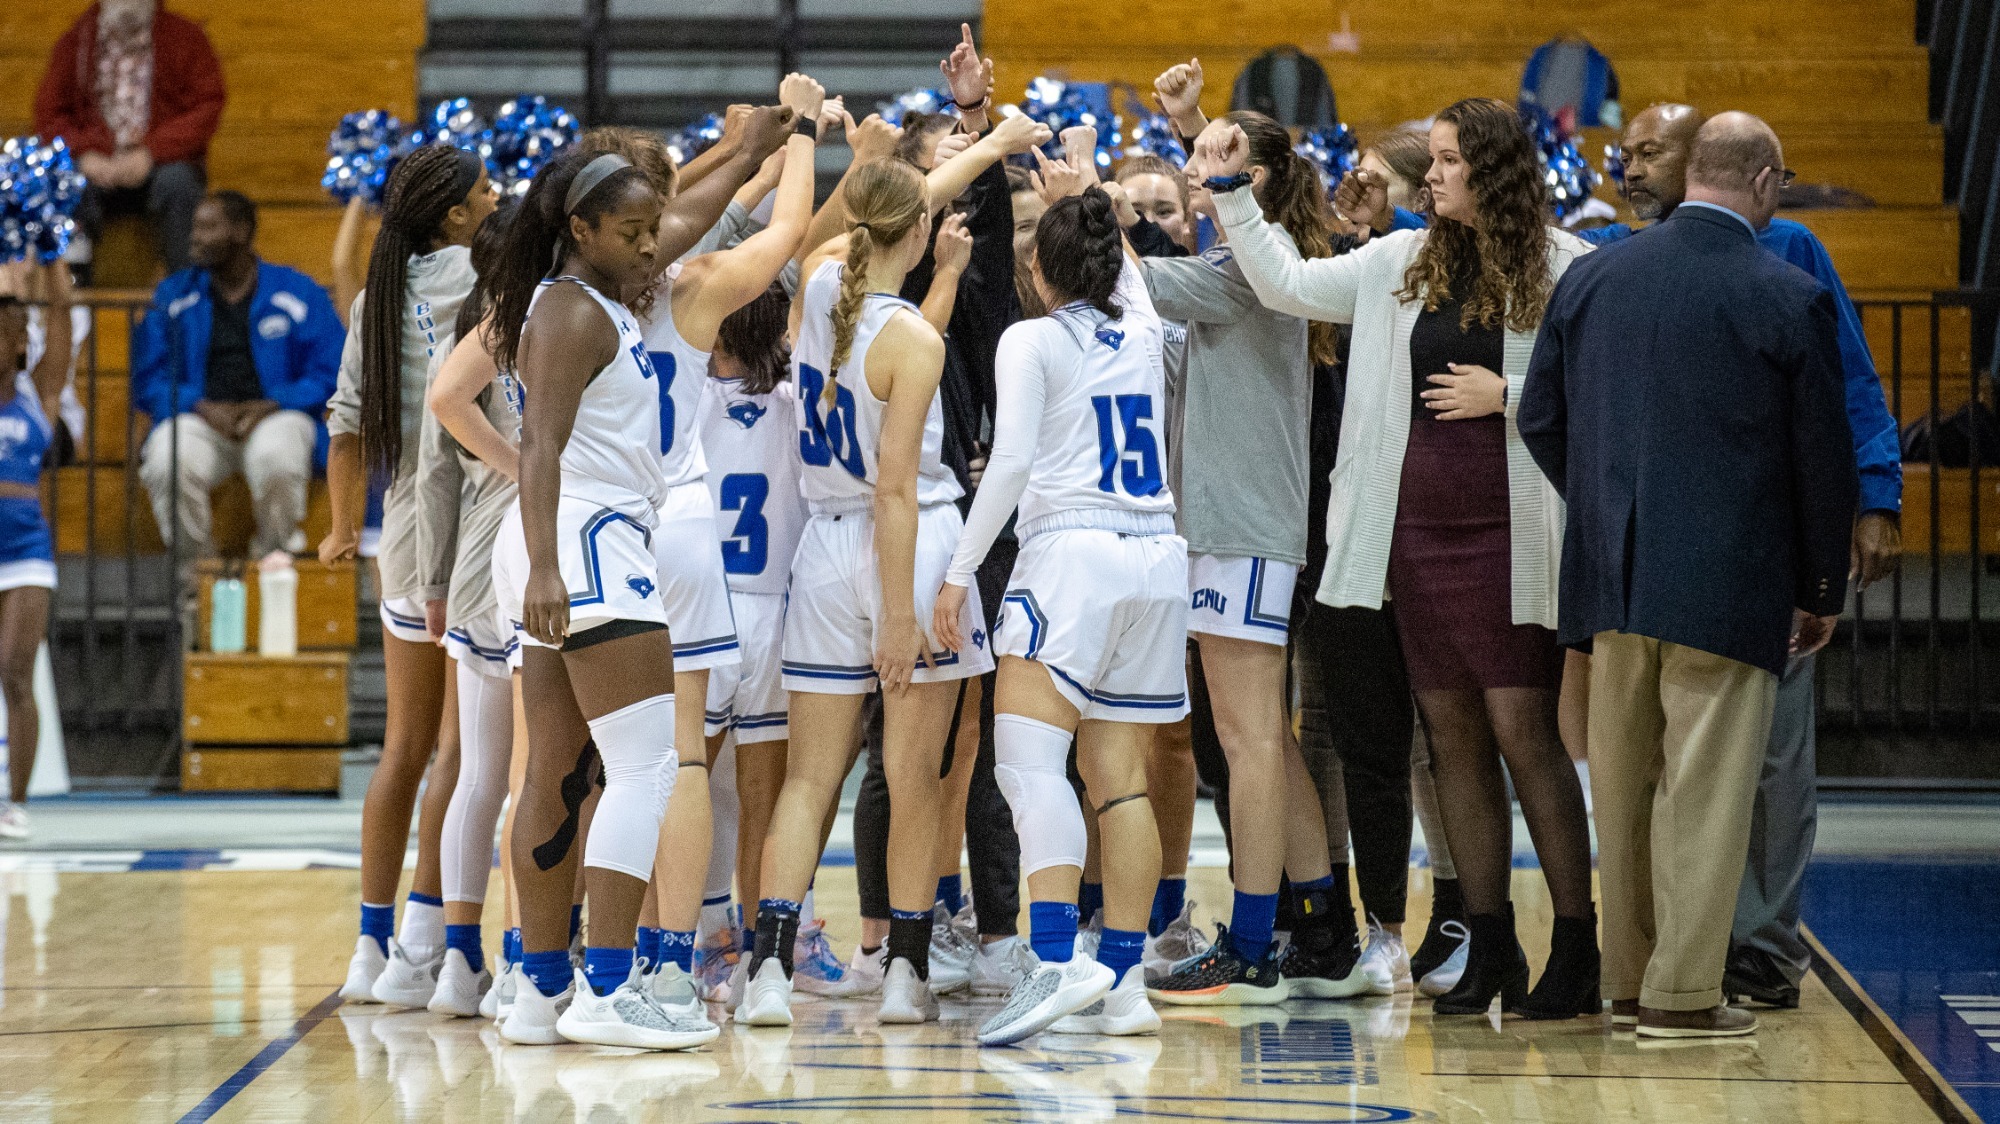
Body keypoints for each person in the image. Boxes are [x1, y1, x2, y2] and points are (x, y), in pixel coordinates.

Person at [1196, 97, 1599, 1019]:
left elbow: (1603, 386)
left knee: (1523, 734)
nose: (1437, 176)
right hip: (1414, 537)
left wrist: (1513, 392)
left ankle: (1576, 944)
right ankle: (1489, 945)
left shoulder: (1571, 267)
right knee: (1450, 732)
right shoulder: (1397, 263)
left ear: (1491, 173)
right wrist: (1228, 193)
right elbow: (1286, 284)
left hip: (1513, 540)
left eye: (1453, 162)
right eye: (1438, 160)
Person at [1518, 111, 1858, 1038]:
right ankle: (1682, 998)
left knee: (1621, 792)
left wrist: (1598, 505)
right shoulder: (1788, 295)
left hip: (1609, 580)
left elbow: (1538, 417)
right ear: (1762, 182)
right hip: (1729, 578)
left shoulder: (1592, 276)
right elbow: (1821, 460)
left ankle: (1626, 983)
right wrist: (1820, 588)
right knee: (1704, 798)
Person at [1583, 103, 1903, 1011]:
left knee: (1767, 763)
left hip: (1754, 555)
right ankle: (1667, 964)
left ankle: (1759, 946)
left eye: (1652, 152)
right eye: (1628, 152)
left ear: (1701, 164)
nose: (1632, 167)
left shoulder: (1788, 248)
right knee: (1644, 769)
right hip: (1655, 559)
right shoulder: (1606, 252)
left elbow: (1847, 383)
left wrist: (1875, 496)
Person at [483, 118, 790, 1048]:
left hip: (569, 541)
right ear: (581, 229)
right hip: (584, 541)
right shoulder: (572, 310)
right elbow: (537, 444)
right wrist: (546, 564)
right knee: (650, 766)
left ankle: (540, 988)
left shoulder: (597, 287)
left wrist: (750, 149)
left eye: (653, 228)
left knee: (564, 769)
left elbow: (685, 217)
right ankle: (610, 990)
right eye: (633, 232)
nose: (654, 244)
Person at [737, 119, 1047, 1029]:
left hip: (819, 557)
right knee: (917, 780)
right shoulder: (913, 338)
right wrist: (901, 620)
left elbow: (891, 208)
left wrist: (985, 152)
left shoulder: (825, 284)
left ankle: (766, 969)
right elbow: (900, 494)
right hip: (900, 554)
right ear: (919, 235)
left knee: (808, 781)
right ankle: (907, 972)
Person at [940, 174, 1185, 1045]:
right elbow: (1127, 269)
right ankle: (1122, 981)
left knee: (1027, 766)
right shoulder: (1146, 327)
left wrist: (958, 572)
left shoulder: (1030, 339)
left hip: (1071, 556)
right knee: (1120, 785)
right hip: (1157, 558)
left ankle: (1051, 963)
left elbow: (1006, 467)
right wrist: (1089, 200)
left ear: (1039, 271)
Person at [1125, 82, 1353, 1008]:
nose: (1190, 157)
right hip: (1232, 527)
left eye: (1210, 150)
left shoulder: (1252, 270)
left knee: (1249, 736)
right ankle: (1321, 927)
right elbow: (1230, 191)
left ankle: (1254, 943)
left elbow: (1126, 278)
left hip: (1243, 528)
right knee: (1268, 740)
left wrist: (1070, 203)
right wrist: (1192, 132)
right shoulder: (1250, 257)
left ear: (1245, 180)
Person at [631, 74, 826, 1014]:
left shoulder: (683, 377)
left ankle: (667, 950)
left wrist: (744, 148)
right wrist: (803, 142)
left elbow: (712, 233)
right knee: (762, 800)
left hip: (692, 605)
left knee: (676, 783)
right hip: (777, 620)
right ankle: (764, 967)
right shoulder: (795, 402)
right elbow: (802, 245)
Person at [324, 145, 497, 1008]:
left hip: (399, 542)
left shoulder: (374, 294)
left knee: (404, 747)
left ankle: (372, 943)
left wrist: (335, 530)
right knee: (462, 757)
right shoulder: (495, 275)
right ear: (456, 219)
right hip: (472, 540)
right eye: (487, 190)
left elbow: (346, 428)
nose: (500, 197)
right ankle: (430, 944)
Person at [409, 202, 519, 1017]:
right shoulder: (547, 321)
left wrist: (435, 582)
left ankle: (457, 963)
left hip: (475, 565)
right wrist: (527, 465)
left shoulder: (466, 329)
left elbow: (432, 476)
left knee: (480, 774)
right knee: (539, 777)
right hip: (533, 547)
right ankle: (525, 961)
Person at [132, 191, 344, 573]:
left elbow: (331, 371)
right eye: (195, 227)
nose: (194, 236)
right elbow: (148, 378)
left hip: (276, 414)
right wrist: (199, 404)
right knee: (167, 459)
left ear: (241, 232)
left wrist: (275, 402)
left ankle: (272, 563)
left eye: (208, 227)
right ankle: (198, 575)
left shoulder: (297, 291)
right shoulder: (173, 295)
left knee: (276, 456)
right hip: (200, 418)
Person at [33, 0, 224, 275]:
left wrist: (152, 152)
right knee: (65, 181)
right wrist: (85, 154)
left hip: (161, 164)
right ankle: (74, 297)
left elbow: (207, 105)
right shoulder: (77, 41)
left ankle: (185, 291)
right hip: (94, 164)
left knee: (179, 184)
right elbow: (49, 113)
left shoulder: (186, 37)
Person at [0, 265, 71, 840]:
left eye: (10, 334)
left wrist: (52, 261)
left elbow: (64, 322)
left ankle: (14, 802)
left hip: (25, 546)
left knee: (14, 670)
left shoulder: (38, 396)